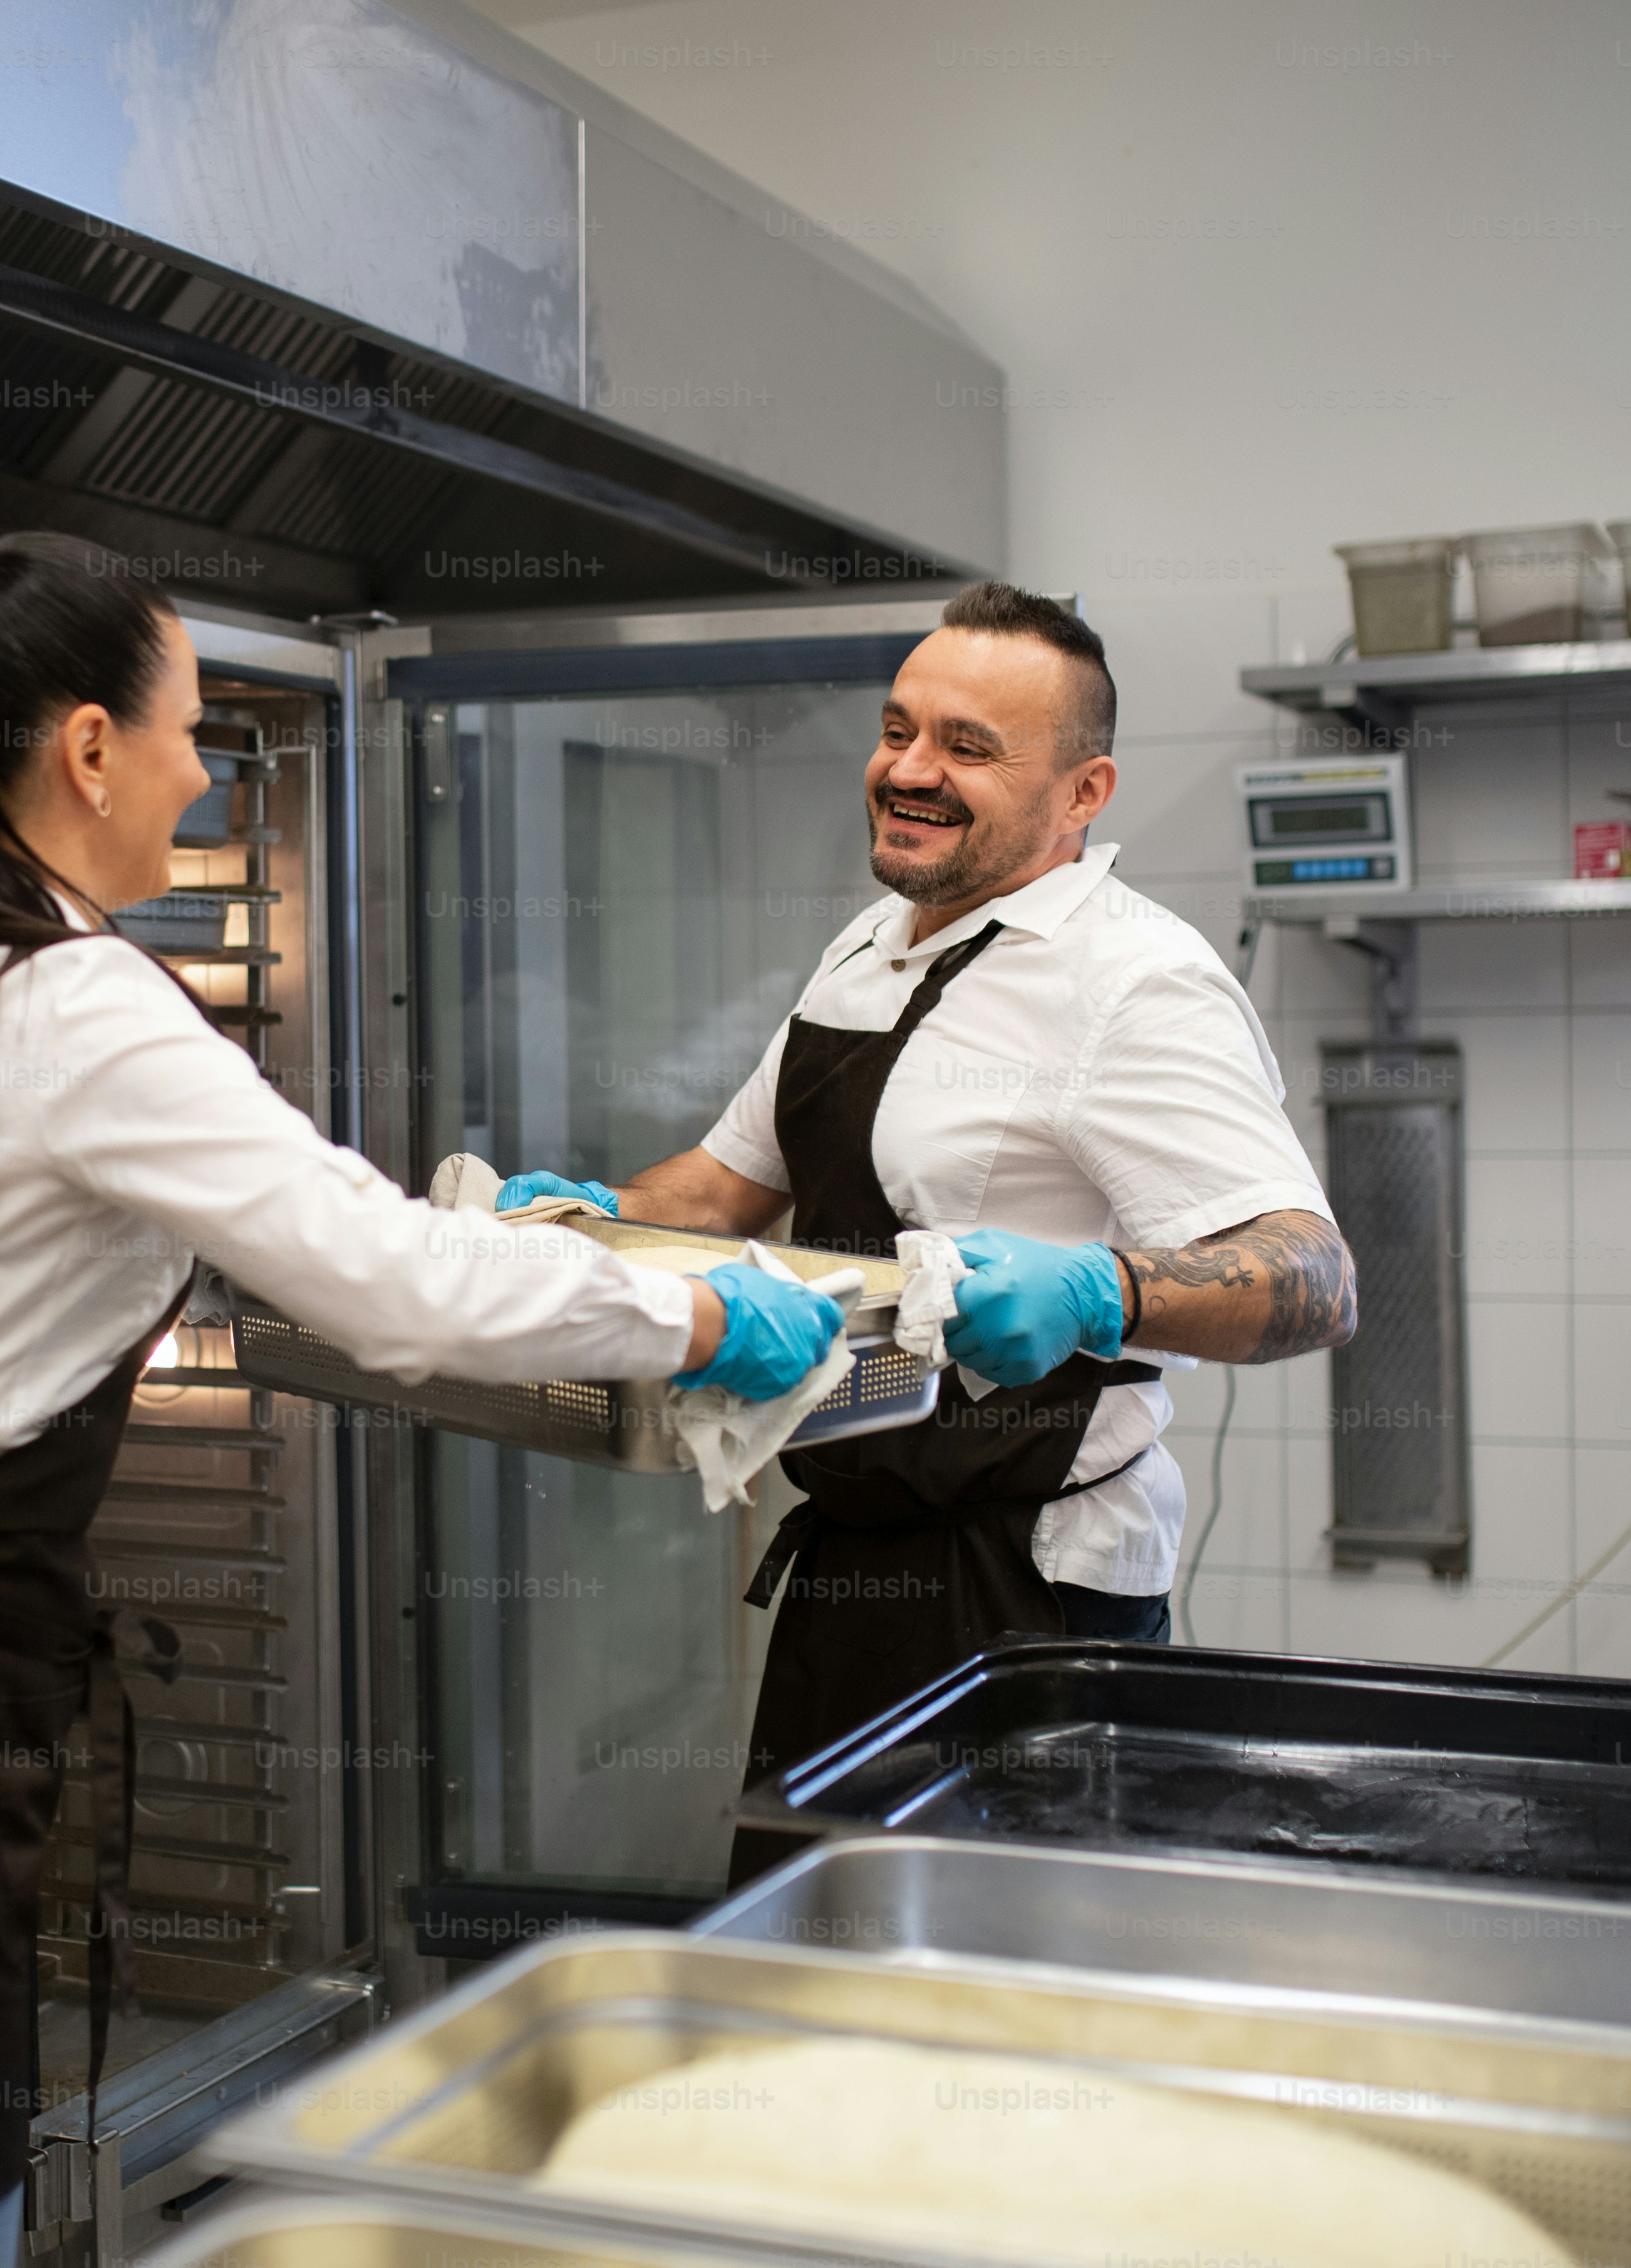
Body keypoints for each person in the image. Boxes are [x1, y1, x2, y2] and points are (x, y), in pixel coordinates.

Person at [0, 525, 840, 2267]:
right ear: (86, 746)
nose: (202, 767)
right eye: (184, 725)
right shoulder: (72, 1004)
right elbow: (392, 1287)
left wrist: (504, 1248)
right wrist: (696, 1312)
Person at [494, 581, 1354, 1865]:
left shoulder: (1135, 981)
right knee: (804, 1946)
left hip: (1030, 1591)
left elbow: (1315, 1275)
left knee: (995, 2010)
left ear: (1085, 792)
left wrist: (1102, 1290)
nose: (910, 770)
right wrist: (586, 1216)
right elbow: (726, 1189)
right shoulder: (869, 944)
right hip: (848, 1557)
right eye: (900, 729)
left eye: (968, 746)